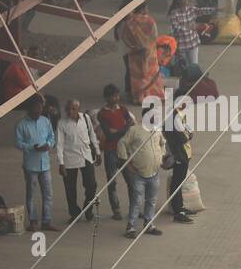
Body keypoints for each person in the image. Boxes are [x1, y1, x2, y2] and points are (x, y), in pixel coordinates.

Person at [118, 107, 166, 237]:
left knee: (151, 200)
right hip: (139, 174)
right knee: (137, 201)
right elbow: (122, 143)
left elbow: (162, 144)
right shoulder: (134, 130)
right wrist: (127, 164)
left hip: (154, 173)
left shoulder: (157, 130)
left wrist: (161, 158)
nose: (155, 118)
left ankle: (149, 224)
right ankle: (131, 227)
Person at [55, 99, 102, 223]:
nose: (70, 111)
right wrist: (61, 163)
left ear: (78, 109)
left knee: (92, 185)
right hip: (69, 159)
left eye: (73, 109)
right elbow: (59, 144)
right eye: (68, 109)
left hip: (86, 156)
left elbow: (92, 135)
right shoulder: (62, 123)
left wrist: (97, 152)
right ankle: (74, 213)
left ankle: (88, 209)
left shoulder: (86, 118)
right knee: (70, 189)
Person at [96, 83, 136, 220]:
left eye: (117, 95)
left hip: (123, 150)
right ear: (107, 98)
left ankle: (134, 207)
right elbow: (110, 135)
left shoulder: (123, 109)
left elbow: (129, 125)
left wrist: (118, 130)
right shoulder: (102, 114)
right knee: (112, 182)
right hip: (111, 151)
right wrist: (124, 128)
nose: (117, 98)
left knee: (131, 181)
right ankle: (116, 209)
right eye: (114, 96)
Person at [15, 96, 56, 231]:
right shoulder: (22, 124)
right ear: (30, 108)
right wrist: (32, 147)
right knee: (31, 194)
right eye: (36, 107)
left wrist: (48, 145)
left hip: (45, 164)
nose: (39, 110)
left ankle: (46, 221)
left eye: (40, 107)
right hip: (30, 166)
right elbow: (18, 143)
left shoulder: (45, 121)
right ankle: (33, 221)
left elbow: (52, 137)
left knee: (48, 193)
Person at [119, 3, 165, 105]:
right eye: (147, 8)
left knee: (137, 77)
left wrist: (136, 47)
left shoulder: (128, 22)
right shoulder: (150, 21)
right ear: (143, 9)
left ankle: (139, 98)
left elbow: (124, 38)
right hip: (150, 53)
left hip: (134, 53)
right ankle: (154, 96)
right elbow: (154, 36)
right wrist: (148, 46)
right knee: (151, 74)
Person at [161, 97, 195, 224]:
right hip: (179, 155)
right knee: (177, 183)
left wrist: (188, 133)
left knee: (179, 182)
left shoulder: (179, 114)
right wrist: (187, 134)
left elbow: (189, 130)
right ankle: (178, 212)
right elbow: (182, 137)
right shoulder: (173, 116)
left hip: (184, 153)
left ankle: (180, 207)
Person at [168, 0, 214, 68]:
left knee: (194, 67)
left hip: (193, 43)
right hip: (181, 46)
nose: (186, 0)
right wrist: (190, 27)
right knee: (183, 67)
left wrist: (215, 10)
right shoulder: (174, 13)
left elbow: (202, 11)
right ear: (179, 0)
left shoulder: (191, 9)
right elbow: (176, 28)